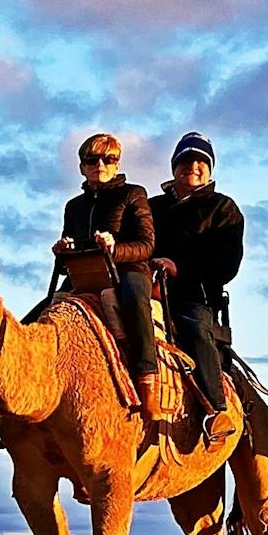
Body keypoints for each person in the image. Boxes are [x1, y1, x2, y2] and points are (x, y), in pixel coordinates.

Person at [149, 132, 243, 441]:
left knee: (193, 327)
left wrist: (180, 267)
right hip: (147, 289)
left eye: (201, 161)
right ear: (174, 167)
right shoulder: (151, 207)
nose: (193, 166)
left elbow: (227, 263)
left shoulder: (223, 208)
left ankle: (216, 410)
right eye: (186, 160)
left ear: (210, 169)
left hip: (194, 295)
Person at [55, 133, 157, 411]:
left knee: (135, 300)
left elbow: (146, 245)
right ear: (82, 167)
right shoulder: (74, 206)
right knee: (39, 317)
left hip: (129, 269)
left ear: (116, 164)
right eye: (92, 160)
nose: (100, 164)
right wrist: (63, 250)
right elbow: (66, 255)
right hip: (84, 275)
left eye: (107, 159)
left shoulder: (133, 194)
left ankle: (147, 379)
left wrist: (115, 248)